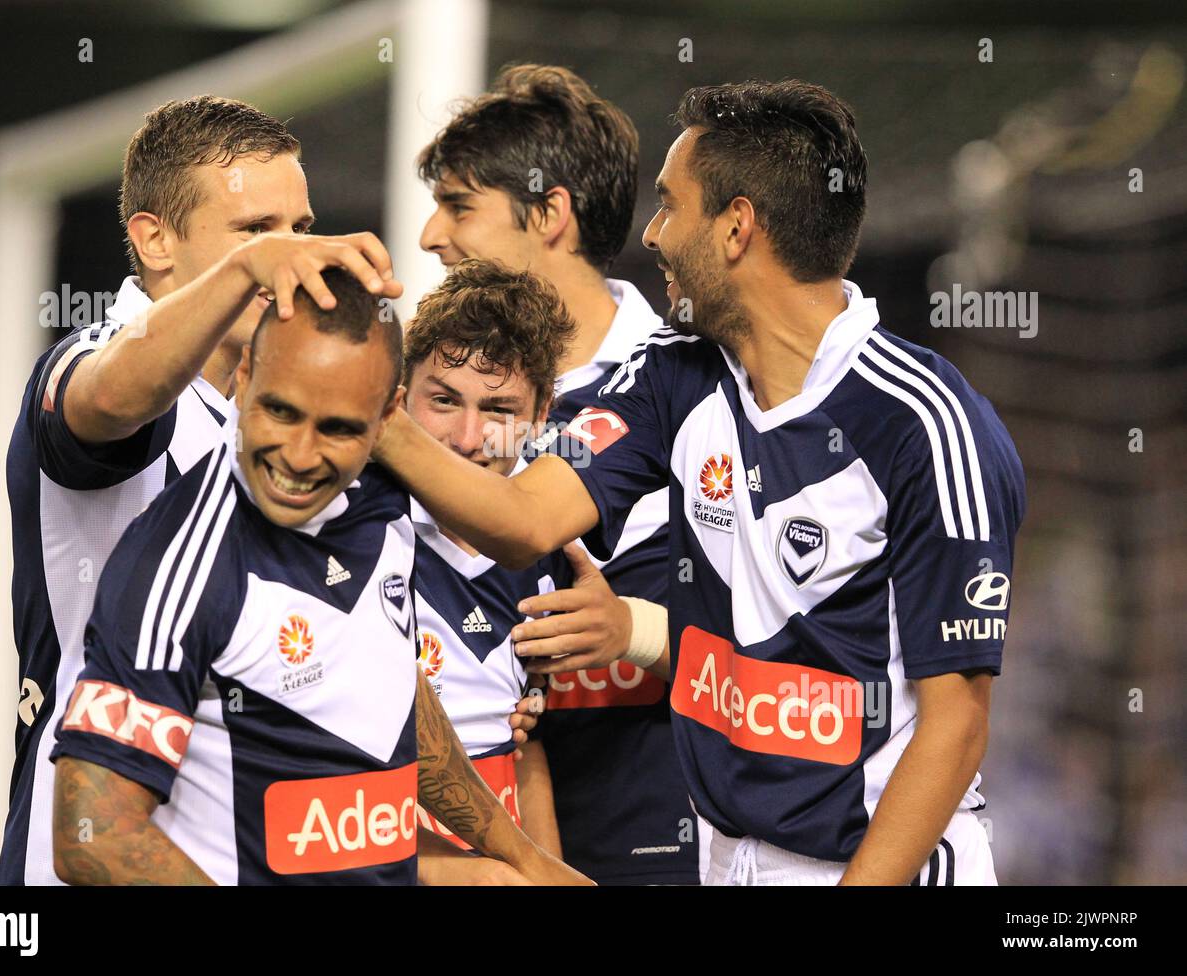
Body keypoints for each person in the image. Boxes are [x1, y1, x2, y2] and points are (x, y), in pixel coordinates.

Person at [376, 79, 1025, 885]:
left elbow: (955, 726)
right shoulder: (669, 381)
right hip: (725, 862)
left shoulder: (928, 427)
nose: (651, 235)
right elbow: (522, 517)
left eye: (669, 206)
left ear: (736, 228)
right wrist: (371, 414)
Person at [50, 271, 588, 885]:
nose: (301, 457)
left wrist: (521, 862)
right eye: (282, 411)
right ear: (245, 375)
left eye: (338, 427)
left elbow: (387, 682)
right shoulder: (176, 566)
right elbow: (93, 836)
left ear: (386, 419)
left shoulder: (385, 501)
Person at [0, 93, 413, 885]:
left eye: (299, 227)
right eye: (255, 232)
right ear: (154, 240)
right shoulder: (105, 364)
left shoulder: (293, 407)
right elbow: (112, 399)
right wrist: (246, 274)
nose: (288, 257)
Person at [415, 63, 699, 885]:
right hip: (478, 834)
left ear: (549, 212)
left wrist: (634, 632)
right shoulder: (423, 389)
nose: (433, 233)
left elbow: (788, 637)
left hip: (658, 830)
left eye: (459, 204)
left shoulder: (689, 392)